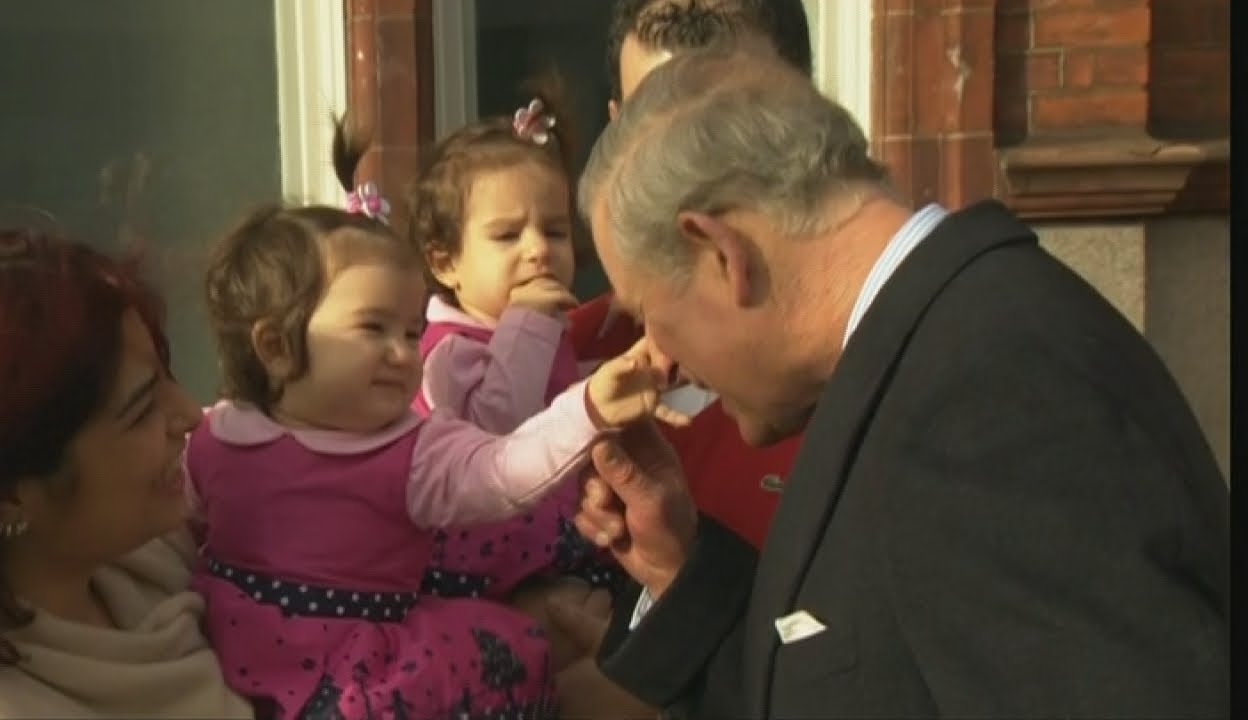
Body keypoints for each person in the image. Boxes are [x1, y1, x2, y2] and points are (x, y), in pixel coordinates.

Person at [563, 43, 1231, 718]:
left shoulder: (989, 387)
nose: (661, 359)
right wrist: (679, 574)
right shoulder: (928, 357)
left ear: (720, 253)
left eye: (649, 312)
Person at [186, 118, 683, 719]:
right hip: (236, 672)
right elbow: (158, 520)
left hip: (365, 675)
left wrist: (591, 407)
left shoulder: (413, 452)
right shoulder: (212, 437)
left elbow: (504, 466)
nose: (405, 353)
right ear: (274, 347)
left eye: (411, 331)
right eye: (373, 330)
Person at [570, 0, 816, 550]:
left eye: (721, 122)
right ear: (614, 132)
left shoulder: (867, 368)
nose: (686, 165)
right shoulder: (559, 366)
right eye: (652, 127)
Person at [0, 229, 254, 719]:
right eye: (141, 407)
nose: (191, 414)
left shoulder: (157, 556)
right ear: (7, 496)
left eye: (167, 376)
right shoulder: (9, 704)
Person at [407, 92, 619, 610]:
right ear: (445, 263)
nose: (538, 249)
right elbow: (494, 434)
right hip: (481, 574)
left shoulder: (540, 332)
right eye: (506, 235)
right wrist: (528, 324)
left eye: (554, 231)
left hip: (554, 546)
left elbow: (555, 398)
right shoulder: (447, 352)